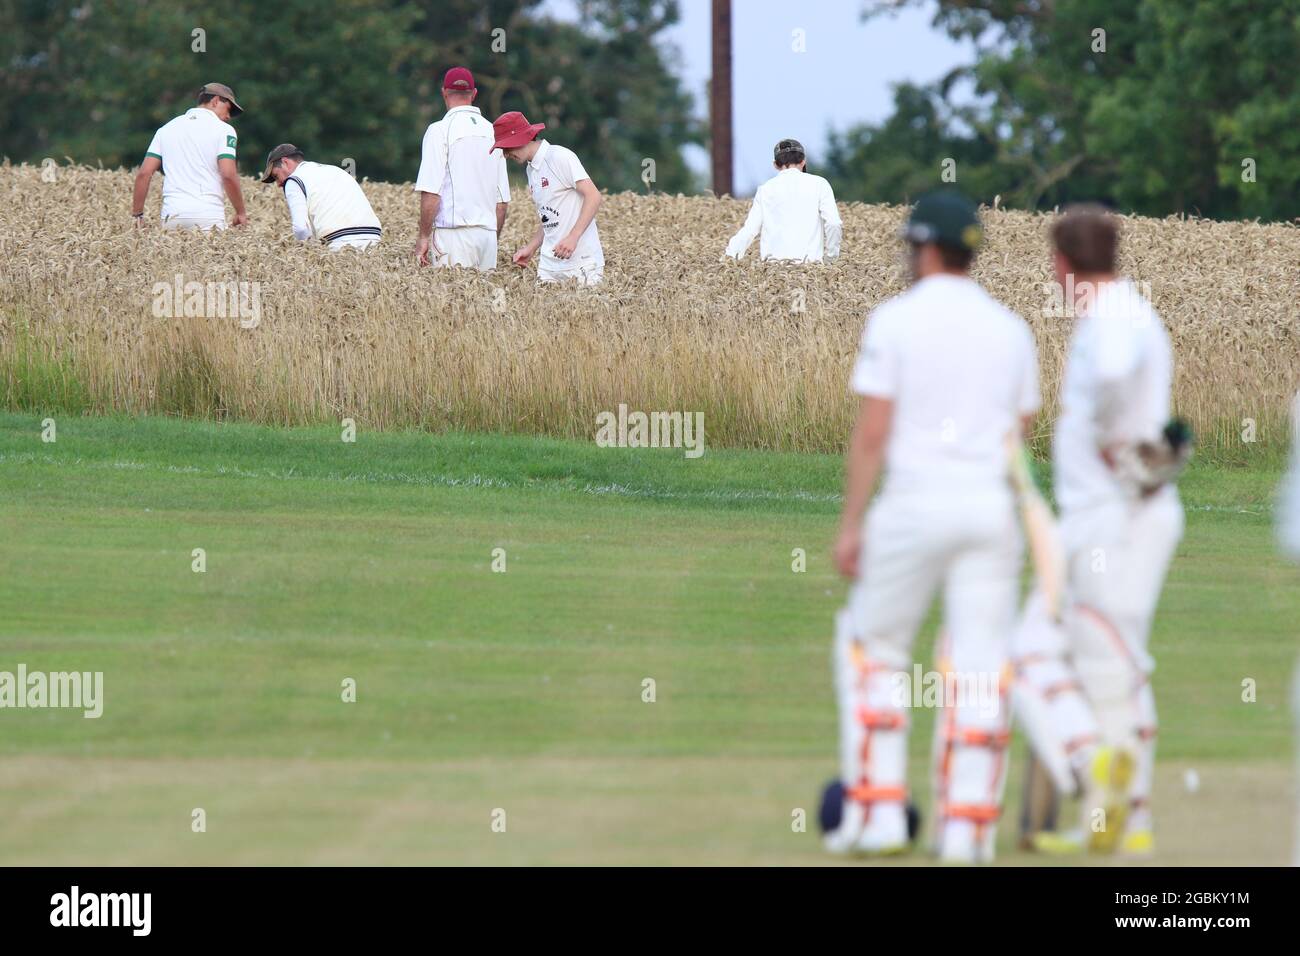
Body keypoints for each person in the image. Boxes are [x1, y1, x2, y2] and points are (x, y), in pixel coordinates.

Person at [824, 192, 1040, 863]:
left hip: (913, 505)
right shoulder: (1011, 328)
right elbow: (1019, 433)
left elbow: (872, 435)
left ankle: (881, 815)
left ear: (922, 247)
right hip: (988, 509)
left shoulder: (895, 320)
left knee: (873, 648)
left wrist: (852, 523)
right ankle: (966, 830)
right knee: (979, 666)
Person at [1011, 205, 1187, 856]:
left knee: (1028, 652)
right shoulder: (1131, 309)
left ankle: (1089, 767)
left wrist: (1116, 441)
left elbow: (1113, 375)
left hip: (1106, 521)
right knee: (1117, 671)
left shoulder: (1110, 317)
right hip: (1124, 516)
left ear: (1062, 264)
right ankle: (1128, 821)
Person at [491, 111, 604, 286]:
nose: (505, 155)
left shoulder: (560, 157)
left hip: (583, 263)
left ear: (521, 138)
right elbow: (550, 217)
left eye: (506, 148)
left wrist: (573, 237)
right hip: (549, 265)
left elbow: (594, 196)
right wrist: (531, 248)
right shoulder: (531, 170)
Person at [413, 67, 510, 270]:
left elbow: (431, 192)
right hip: (488, 235)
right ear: (474, 94)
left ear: (444, 92)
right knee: (484, 299)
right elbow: (501, 203)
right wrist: (492, 238)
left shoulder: (438, 130)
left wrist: (423, 236)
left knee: (450, 299)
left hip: (452, 235)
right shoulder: (493, 132)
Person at [132, 82, 248, 231]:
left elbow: (144, 173)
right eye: (228, 110)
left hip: (171, 215)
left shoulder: (166, 129)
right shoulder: (225, 131)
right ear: (215, 101)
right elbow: (228, 174)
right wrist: (241, 212)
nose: (228, 117)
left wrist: (137, 215)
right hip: (208, 215)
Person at [724, 138, 841, 263]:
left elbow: (750, 230)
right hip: (811, 271)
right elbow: (834, 223)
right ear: (803, 162)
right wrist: (831, 258)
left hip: (774, 274)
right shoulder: (820, 184)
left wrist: (728, 258)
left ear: (775, 164)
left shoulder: (765, 190)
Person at [260, 144, 382, 251]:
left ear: (285, 162)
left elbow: (301, 229)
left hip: (340, 243)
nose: (278, 184)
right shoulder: (336, 170)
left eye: (276, 176)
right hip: (374, 239)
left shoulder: (294, 180)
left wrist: (307, 255)